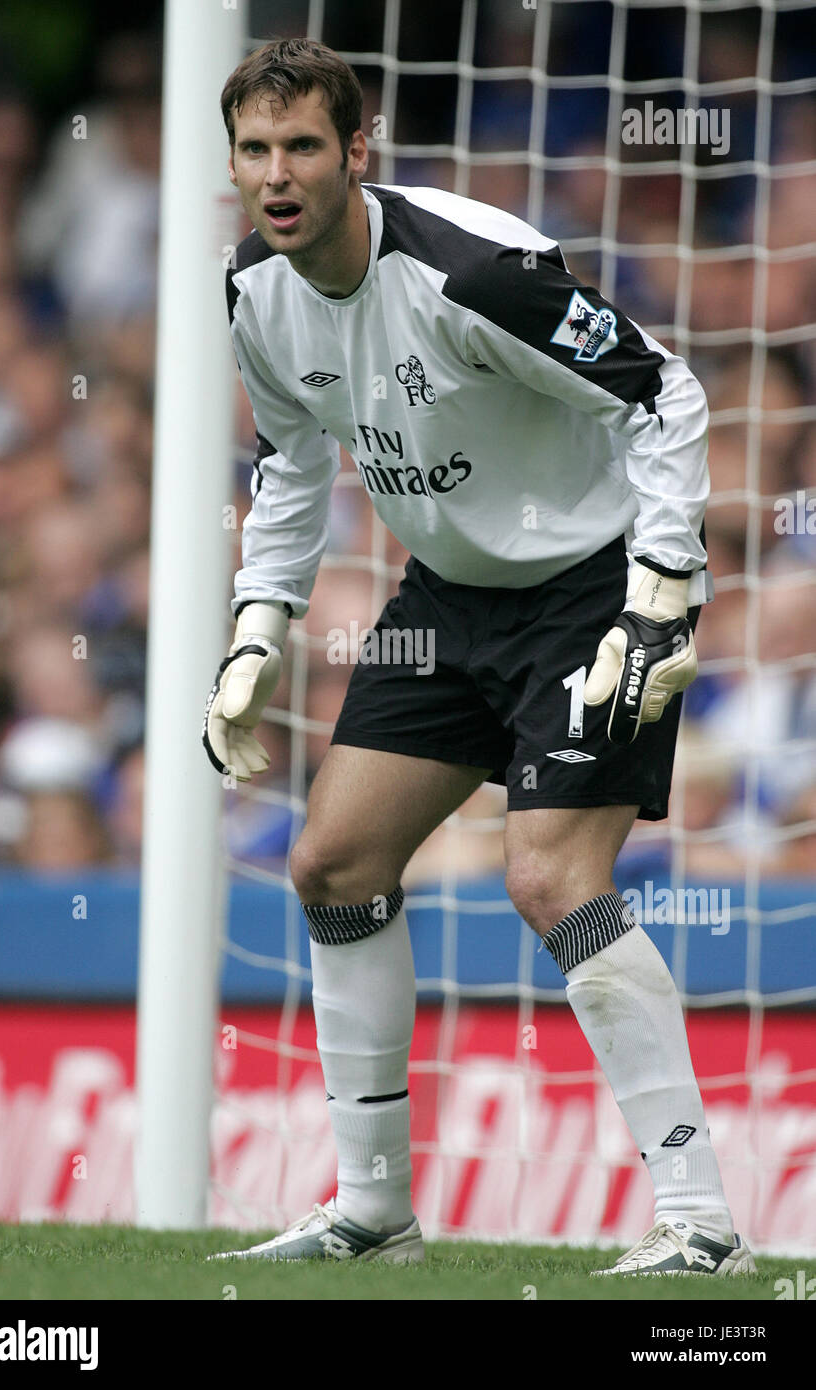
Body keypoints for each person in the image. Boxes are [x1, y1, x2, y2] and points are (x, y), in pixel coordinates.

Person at [203, 37, 754, 1276]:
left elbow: (662, 392)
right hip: (446, 592)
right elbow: (290, 464)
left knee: (549, 876)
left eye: (303, 147)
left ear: (358, 150)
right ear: (232, 165)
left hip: (589, 581)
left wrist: (661, 592)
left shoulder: (476, 272)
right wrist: (257, 625)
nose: (277, 175)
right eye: (255, 150)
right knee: (332, 860)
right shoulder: (252, 289)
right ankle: (373, 1211)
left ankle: (700, 1225)